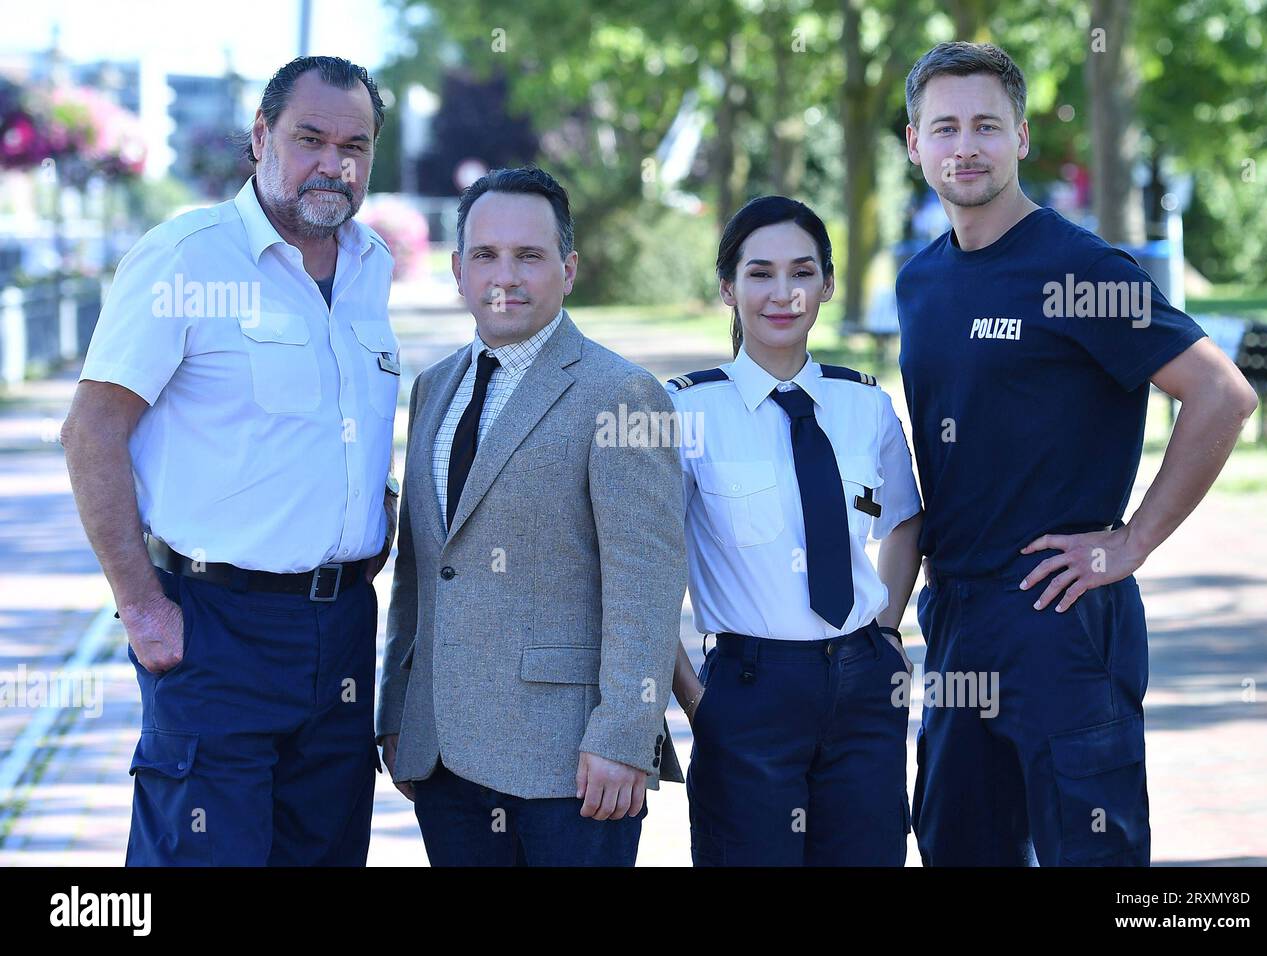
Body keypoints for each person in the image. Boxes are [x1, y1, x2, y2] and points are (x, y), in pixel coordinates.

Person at [896, 41, 1258, 866]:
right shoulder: (920, 282)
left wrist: (1132, 541)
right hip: (954, 617)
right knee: (956, 844)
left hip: (1060, 615)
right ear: (915, 144)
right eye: (944, 127)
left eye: (987, 125)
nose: (966, 147)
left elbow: (1221, 395)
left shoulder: (1081, 268)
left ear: (1021, 136)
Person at [62, 56, 399, 865]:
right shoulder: (187, 258)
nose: (334, 163)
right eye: (310, 138)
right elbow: (91, 432)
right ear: (260, 139)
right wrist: (142, 608)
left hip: (345, 631)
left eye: (355, 145)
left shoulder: (372, 267)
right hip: (215, 631)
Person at [376, 165, 687, 867]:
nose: (504, 275)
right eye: (485, 254)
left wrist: (624, 735)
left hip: (572, 763)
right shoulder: (434, 387)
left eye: (529, 256)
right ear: (457, 270)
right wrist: (397, 710)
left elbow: (648, 580)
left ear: (568, 269)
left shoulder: (622, 393)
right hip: (442, 758)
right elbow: (422, 568)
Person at [668, 195, 924, 866]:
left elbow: (902, 519)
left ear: (828, 284)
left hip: (863, 686)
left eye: (802, 272)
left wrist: (889, 633)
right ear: (728, 287)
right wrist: (695, 696)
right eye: (759, 273)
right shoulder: (686, 411)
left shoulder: (864, 404)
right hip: (750, 691)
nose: (783, 293)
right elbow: (639, 561)